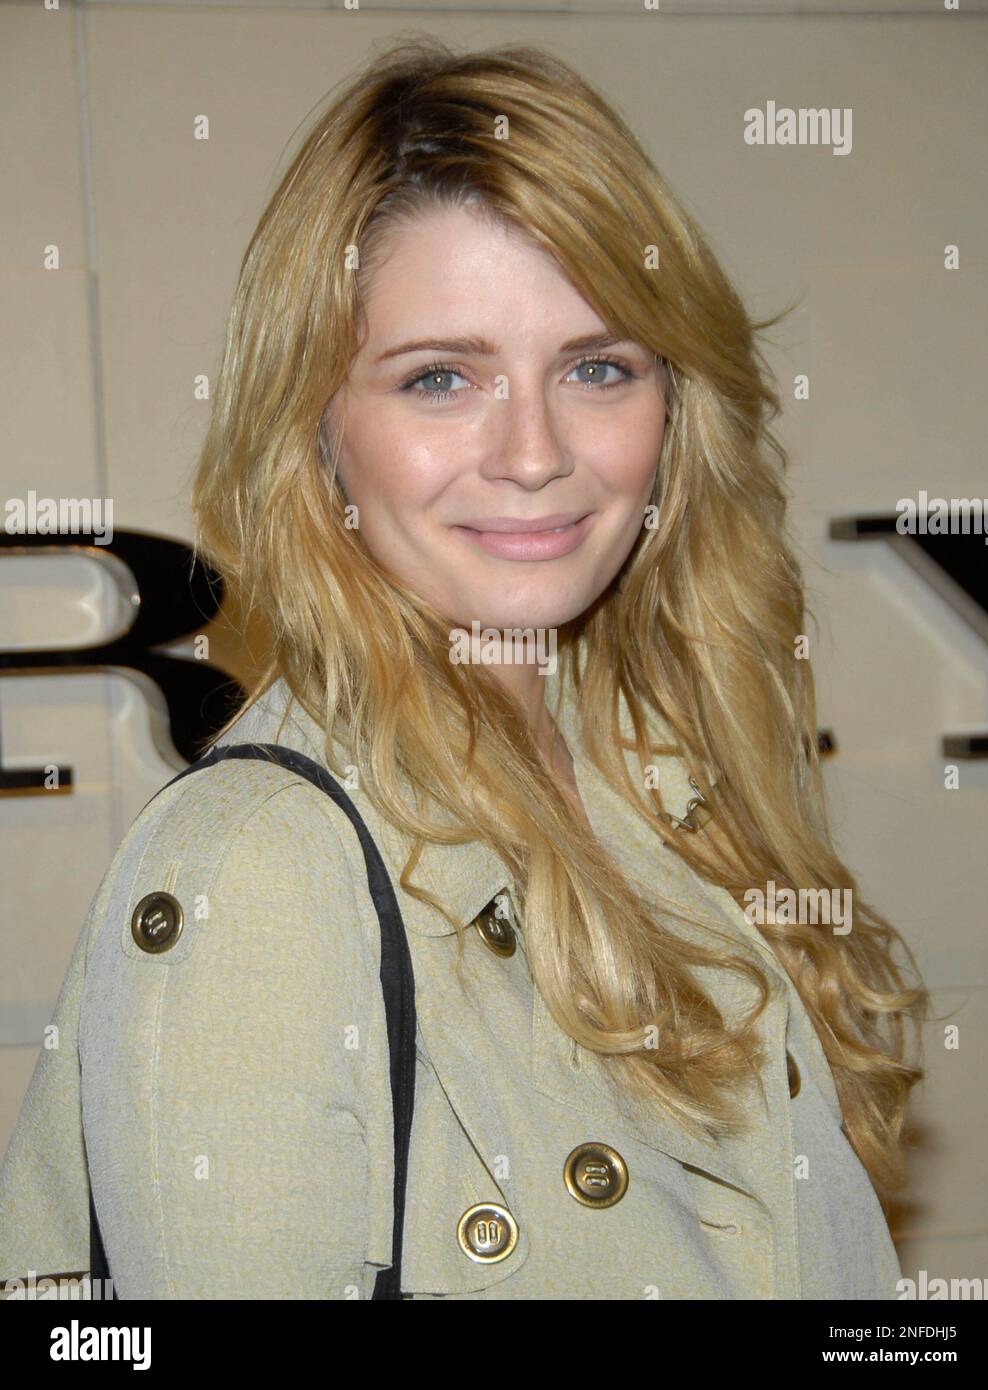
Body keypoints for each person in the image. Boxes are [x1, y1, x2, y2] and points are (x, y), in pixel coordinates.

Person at [0, 37, 927, 1300]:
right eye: (440, 377)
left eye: (598, 366)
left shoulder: (663, 778)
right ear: (317, 432)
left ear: (674, 407)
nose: (534, 451)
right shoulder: (256, 865)